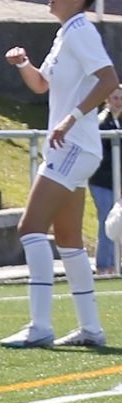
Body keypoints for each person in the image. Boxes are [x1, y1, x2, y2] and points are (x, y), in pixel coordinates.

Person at [1, 0, 117, 348]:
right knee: (68, 238)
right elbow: (41, 86)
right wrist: (23, 64)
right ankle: (91, 329)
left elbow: (108, 79)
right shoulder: (67, 32)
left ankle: (40, 325)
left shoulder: (82, 30)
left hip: (73, 145)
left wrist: (71, 119)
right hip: (73, 149)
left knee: (29, 228)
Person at [88, 85, 122, 276]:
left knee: (117, 222)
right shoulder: (101, 123)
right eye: (115, 98)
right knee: (107, 221)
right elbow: (104, 157)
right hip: (102, 181)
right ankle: (105, 265)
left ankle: (115, 262)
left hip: (117, 181)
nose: (119, 102)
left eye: (121, 98)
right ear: (107, 100)